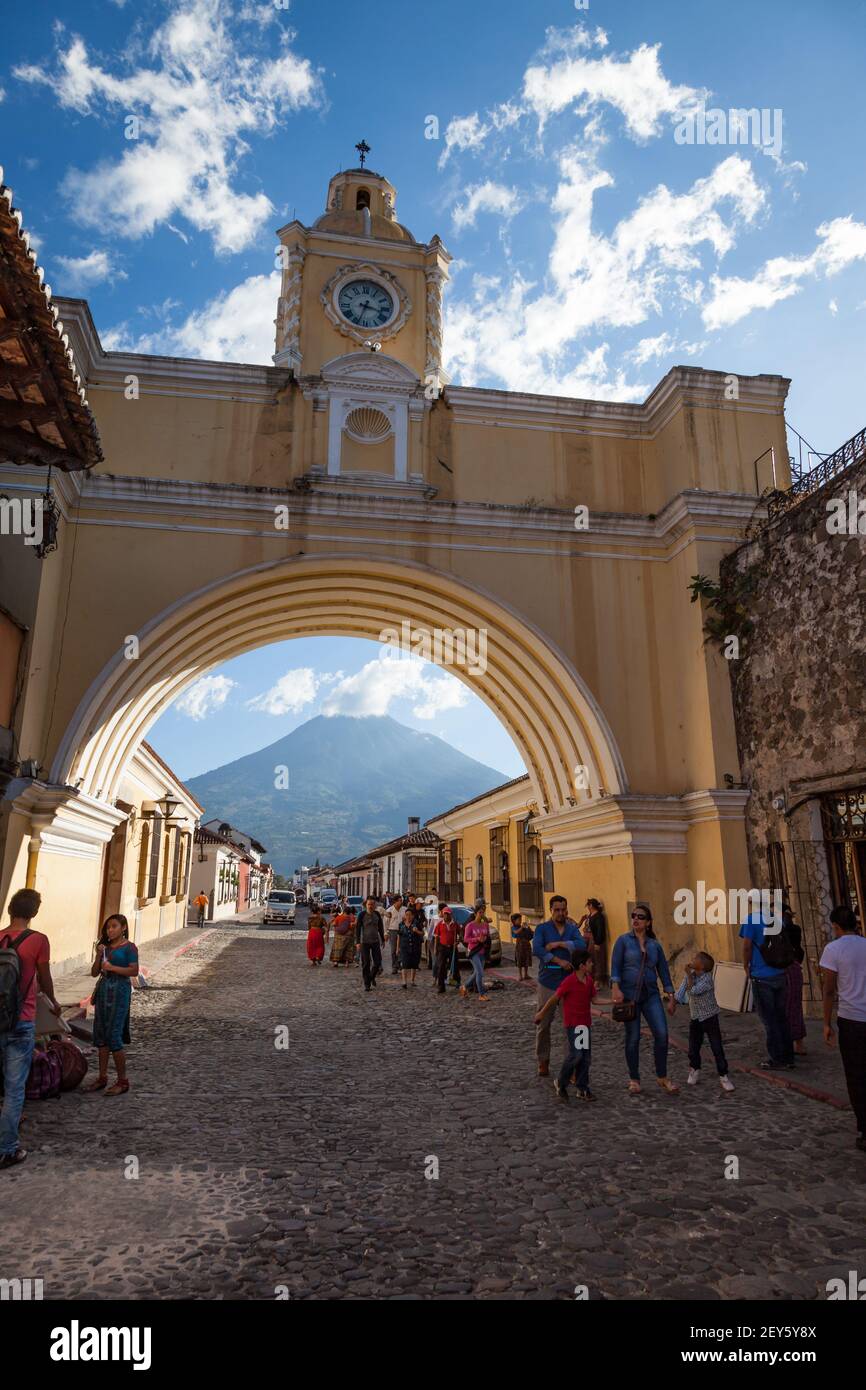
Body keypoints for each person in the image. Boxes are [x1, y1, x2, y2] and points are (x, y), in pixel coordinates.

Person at [0, 888, 61, 1169]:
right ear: (33, 912)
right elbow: (44, 979)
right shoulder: (38, 941)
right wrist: (53, 1003)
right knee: (14, 1089)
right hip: (22, 1021)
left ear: (11, 909)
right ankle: (7, 1149)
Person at [610, 904, 679, 1095]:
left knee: (662, 1034)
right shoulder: (623, 941)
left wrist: (671, 996)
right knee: (632, 1038)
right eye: (633, 916)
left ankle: (662, 1076)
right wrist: (615, 988)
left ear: (648, 923)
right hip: (630, 996)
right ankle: (634, 1078)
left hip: (651, 995)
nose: (636, 919)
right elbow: (615, 967)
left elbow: (663, 972)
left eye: (640, 917)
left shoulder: (654, 945)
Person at [821, 905, 866, 1153]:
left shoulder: (833, 949)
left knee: (857, 1076)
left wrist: (827, 1023)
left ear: (836, 926)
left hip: (851, 1019)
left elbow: (829, 989)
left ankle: (864, 1128)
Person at [532, 895, 591, 1076]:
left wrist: (559, 944)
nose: (560, 913)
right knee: (544, 1023)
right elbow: (538, 949)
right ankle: (543, 1060)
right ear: (551, 910)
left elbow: (581, 944)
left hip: (569, 984)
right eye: (557, 909)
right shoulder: (542, 929)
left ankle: (572, 1064)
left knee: (571, 1025)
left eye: (563, 909)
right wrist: (558, 960)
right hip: (547, 981)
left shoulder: (572, 929)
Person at [84, 914, 139, 1097]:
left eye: (114, 926)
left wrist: (113, 968)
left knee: (114, 1035)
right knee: (100, 1034)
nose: (110, 930)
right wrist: (99, 954)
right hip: (103, 991)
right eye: (108, 927)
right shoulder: (105, 948)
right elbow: (93, 973)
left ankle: (123, 1080)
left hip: (120, 992)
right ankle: (102, 1076)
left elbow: (134, 970)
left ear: (123, 927)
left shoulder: (130, 948)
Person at [535, 948, 597, 1101]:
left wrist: (614, 1002)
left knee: (586, 1057)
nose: (592, 964)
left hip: (585, 1024)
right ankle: (561, 1082)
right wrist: (541, 1013)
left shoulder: (589, 981)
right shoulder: (569, 981)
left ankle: (582, 1088)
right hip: (573, 1024)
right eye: (589, 962)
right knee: (576, 1055)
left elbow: (594, 1000)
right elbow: (554, 998)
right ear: (582, 966)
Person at [739, 906, 795, 1070]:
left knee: (769, 1020)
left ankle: (777, 1058)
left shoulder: (751, 919)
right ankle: (788, 1056)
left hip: (762, 976)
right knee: (781, 1017)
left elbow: (747, 946)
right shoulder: (777, 919)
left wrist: (745, 965)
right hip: (780, 972)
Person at [675, 951, 734, 1093]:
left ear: (700, 965)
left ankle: (723, 1075)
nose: (691, 959)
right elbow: (681, 992)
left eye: (694, 958)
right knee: (693, 1047)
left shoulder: (707, 979)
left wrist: (689, 975)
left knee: (716, 1047)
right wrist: (674, 1000)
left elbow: (693, 991)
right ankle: (694, 1069)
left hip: (710, 1018)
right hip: (695, 1018)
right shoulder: (690, 976)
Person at [781, 900, 807, 1056]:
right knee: (794, 1006)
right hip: (795, 968)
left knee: (786, 1007)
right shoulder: (795, 929)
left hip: (785, 969)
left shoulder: (784, 930)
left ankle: (790, 1042)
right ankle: (798, 1043)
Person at [355, 897, 385, 993]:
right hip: (365, 942)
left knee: (377, 962)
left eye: (372, 904)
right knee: (366, 963)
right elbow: (358, 929)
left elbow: (380, 927)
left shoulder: (377, 914)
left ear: (375, 905)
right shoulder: (362, 915)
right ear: (366, 905)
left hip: (375, 941)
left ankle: (371, 977)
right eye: (369, 904)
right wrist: (358, 942)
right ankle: (367, 984)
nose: (371, 906)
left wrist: (383, 940)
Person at [460, 906, 490, 1003]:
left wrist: (485, 939)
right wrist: (476, 939)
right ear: (475, 913)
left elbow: (487, 936)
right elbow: (466, 939)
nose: (482, 914)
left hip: (483, 951)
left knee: (477, 972)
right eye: (480, 912)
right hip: (473, 951)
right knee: (480, 973)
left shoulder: (485, 925)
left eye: (483, 912)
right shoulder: (470, 925)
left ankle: (464, 987)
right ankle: (481, 994)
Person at [579, 898, 608, 986]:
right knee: (589, 959)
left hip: (594, 939)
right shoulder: (590, 916)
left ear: (591, 905)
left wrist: (597, 942)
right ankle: (590, 978)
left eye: (588, 905)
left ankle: (597, 981)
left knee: (597, 959)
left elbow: (599, 930)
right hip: (588, 939)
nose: (587, 907)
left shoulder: (598, 916)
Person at [397, 906, 424, 989]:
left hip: (415, 946)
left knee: (413, 965)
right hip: (404, 947)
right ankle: (404, 982)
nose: (408, 916)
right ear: (405, 916)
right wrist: (397, 948)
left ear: (412, 916)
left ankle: (412, 980)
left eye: (410, 915)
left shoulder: (416, 923)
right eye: (406, 915)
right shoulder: (401, 924)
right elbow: (399, 937)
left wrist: (417, 931)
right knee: (404, 964)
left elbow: (422, 933)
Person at [433, 908, 456, 995]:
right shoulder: (439, 924)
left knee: (455, 966)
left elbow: (460, 934)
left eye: (447, 914)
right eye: (445, 914)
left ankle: (457, 983)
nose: (446, 916)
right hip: (442, 948)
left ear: (450, 915)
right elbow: (436, 937)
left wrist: (458, 940)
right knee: (441, 967)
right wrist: (435, 948)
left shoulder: (454, 924)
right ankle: (441, 986)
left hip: (452, 948)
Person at [383, 895, 403, 975]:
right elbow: (385, 923)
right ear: (395, 901)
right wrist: (385, 933)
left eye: (401, 900)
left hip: (402, 931)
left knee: (402, 948)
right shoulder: (389, 910)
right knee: (393, 949)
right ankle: (394, 966)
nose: (401, 902)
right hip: (392, 931)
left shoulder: (404, 909)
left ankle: (400, 963)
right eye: (400, 900)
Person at [512, 912, 534, 981]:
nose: (520, 921)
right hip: (520, 946)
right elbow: (516, 932)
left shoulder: (523, 927)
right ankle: (520, 975)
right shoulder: (513, 928)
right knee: (520, 960)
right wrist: (522, 927)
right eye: (518, 920)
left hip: (526, 945)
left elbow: (531, 934)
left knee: (526, 959)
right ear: (514, 921)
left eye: (520, 919)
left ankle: (526, 974)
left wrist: (528, 928)